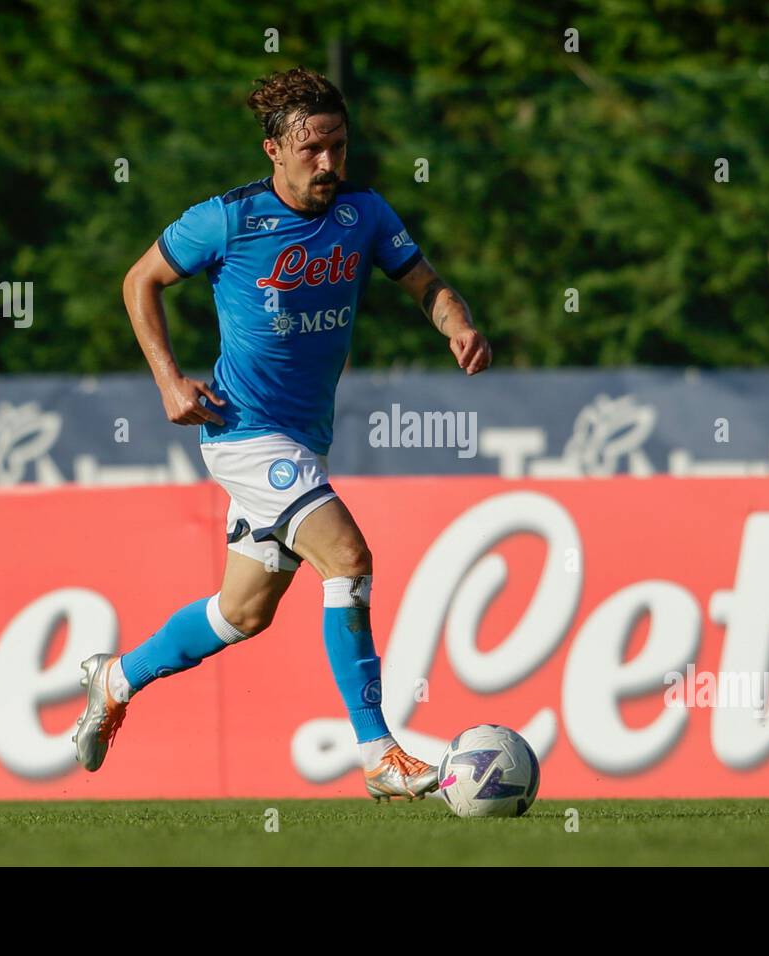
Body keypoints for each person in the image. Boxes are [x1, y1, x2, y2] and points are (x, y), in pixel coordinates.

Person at [73, 66, 492, 800]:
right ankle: (377, 756)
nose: (330, 163)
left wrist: (457, 324)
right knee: (349, 558)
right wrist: (170, 381)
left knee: (241, 613)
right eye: (314, 149)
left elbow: (422, 282)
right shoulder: (227, 219)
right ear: (275, 150)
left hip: (305, 437)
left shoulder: (364, 214)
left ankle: (115, 678)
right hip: (243, 432)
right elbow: (138, 281)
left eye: (339, 146)